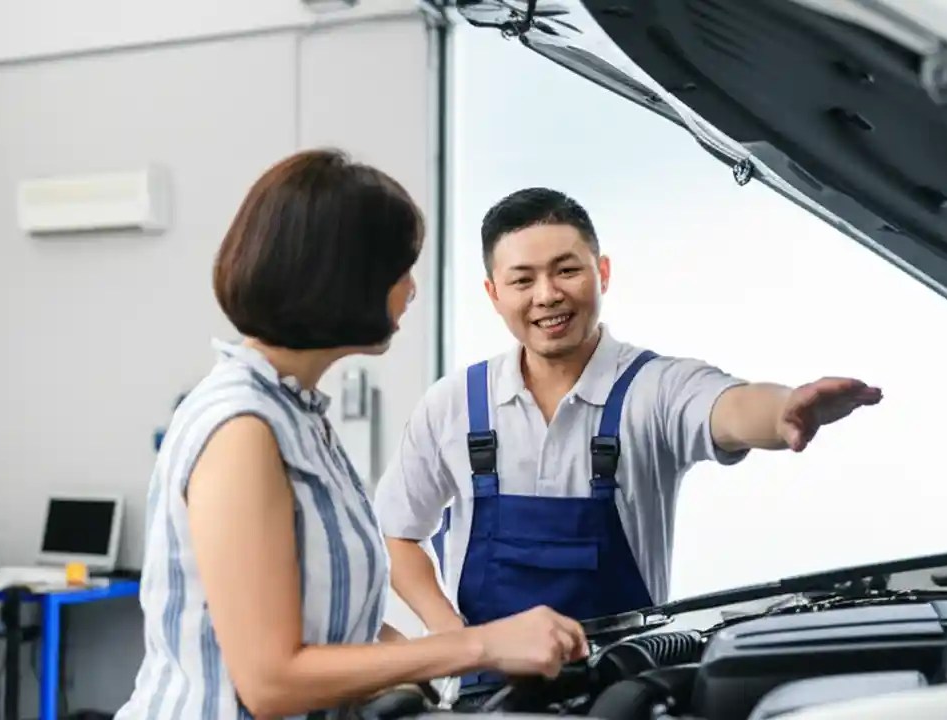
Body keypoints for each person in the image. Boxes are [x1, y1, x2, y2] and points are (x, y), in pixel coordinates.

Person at [115, 154, 589, 720]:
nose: (411, 290)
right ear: (343, 278)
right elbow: (271, 682)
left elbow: (335, 620)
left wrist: (432, 679)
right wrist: (479, 646)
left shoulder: (297, 414)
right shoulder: (241, 428)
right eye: (399, 269)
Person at [373, 187, 883, 673]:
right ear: (493, 293)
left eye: (567, 271)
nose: (547, 296)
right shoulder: (454, 404)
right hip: (485, 693)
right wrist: (457, 639)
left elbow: (729, 405)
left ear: (603, 272)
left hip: (625, 686)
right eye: (523, 280)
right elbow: (397, 532)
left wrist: (784, 410)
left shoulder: (654, 388)